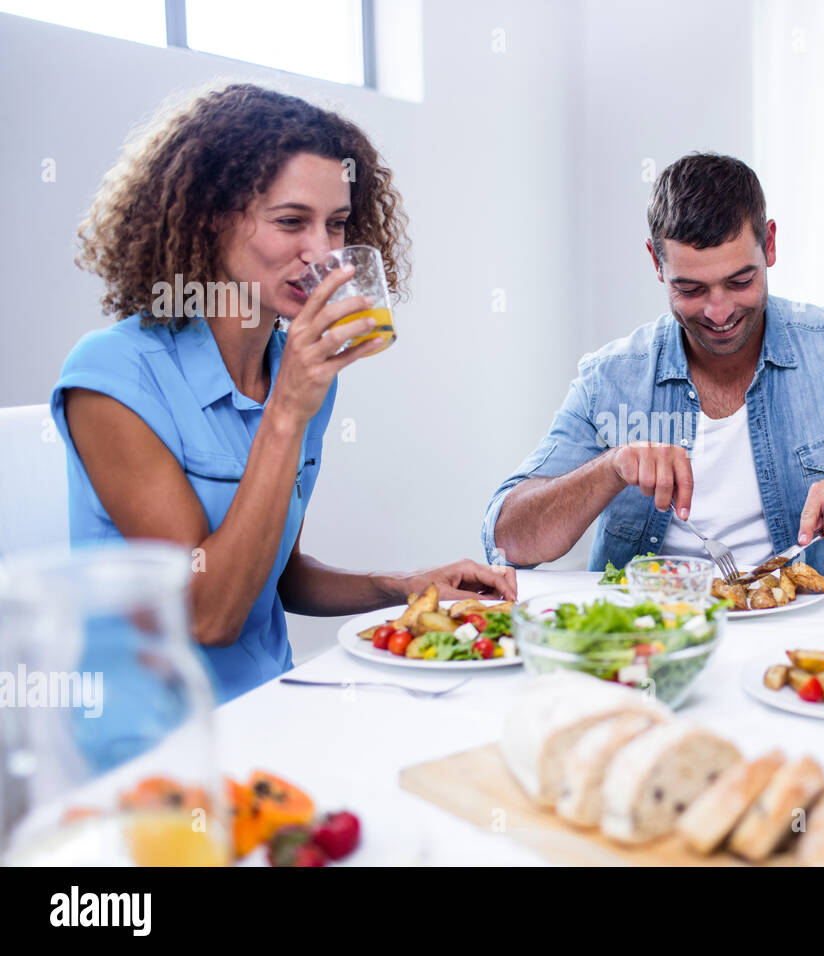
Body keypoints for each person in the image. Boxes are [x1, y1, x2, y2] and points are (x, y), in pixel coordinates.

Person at [54, 83, 514, 703]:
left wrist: (403, 584)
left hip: (267, 700)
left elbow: (275, 574)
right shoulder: (115, 376)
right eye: (292, 222)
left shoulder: (292, 371)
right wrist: (289, 406)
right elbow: (209, 616)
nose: (324, 253)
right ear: (208, 218)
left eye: (338, 224)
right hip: (152, 738)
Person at [483, 153, 824, 575]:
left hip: (804, 646)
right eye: (690, 289)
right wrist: (609, 468)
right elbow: (507, 542)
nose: (719, 313)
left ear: (770, 244)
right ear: (657, 265)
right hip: (651, 646)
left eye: (740, 281)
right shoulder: (610, 379)